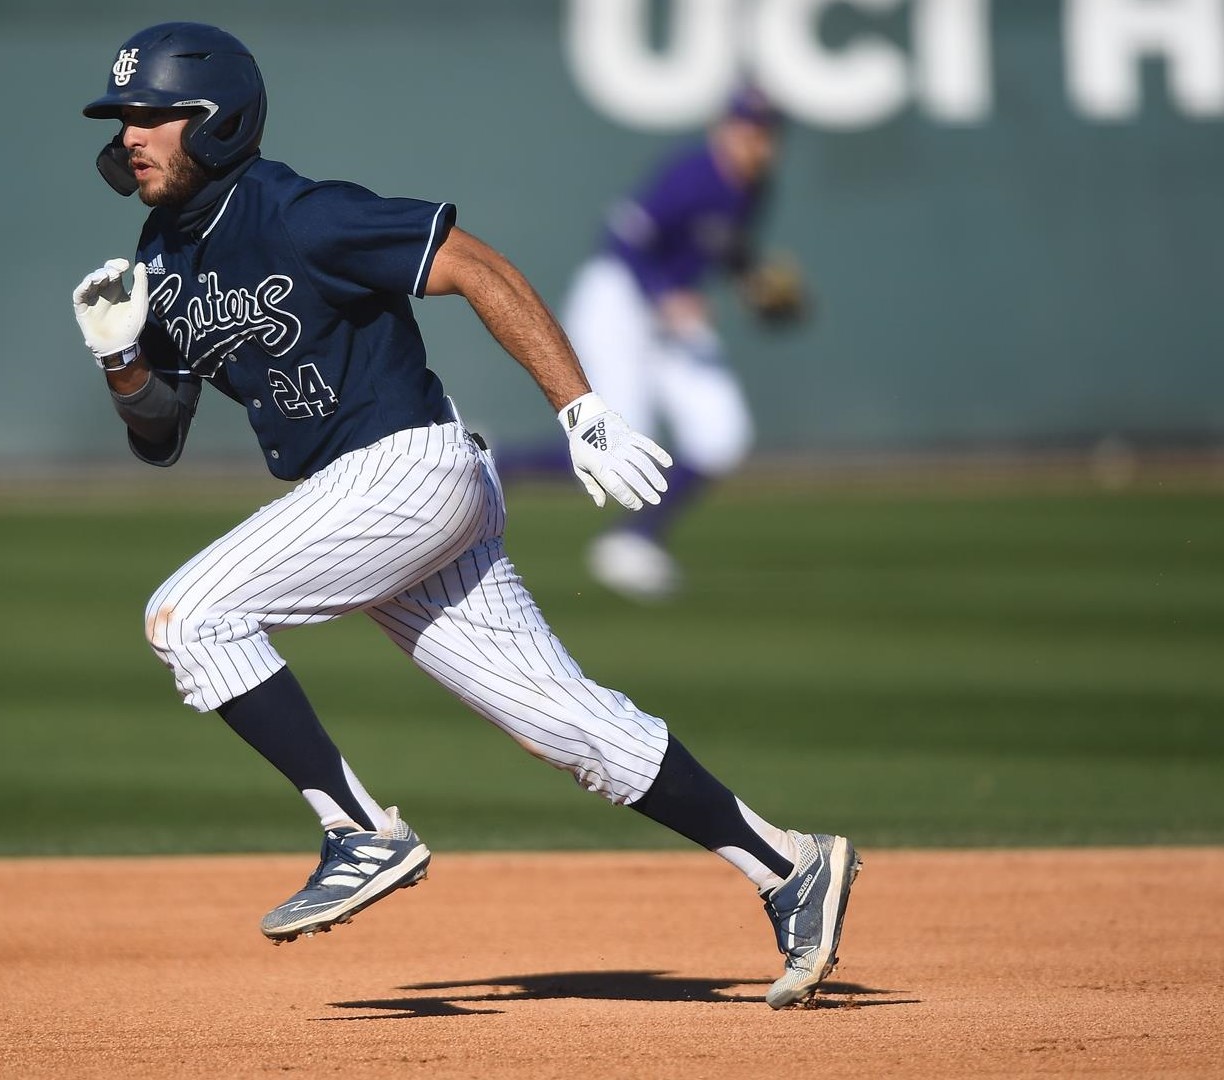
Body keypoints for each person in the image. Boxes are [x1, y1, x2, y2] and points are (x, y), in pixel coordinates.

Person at [71, 22, 856, 1009]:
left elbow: (475, 266)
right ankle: (787, 866)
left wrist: (580, 408)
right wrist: (121, 362)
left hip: (405, 470)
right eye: (122, 118)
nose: (130, 134)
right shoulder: (164, 259)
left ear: (216, 121)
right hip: (373, 500)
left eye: (153, 115)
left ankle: (360, 831)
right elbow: (160, 435)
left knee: (189, 615)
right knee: (569, 727)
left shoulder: (302, 214)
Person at [555, 86, 807, 602]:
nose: (756, 141)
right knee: (624, 436)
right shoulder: (693, 174)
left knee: (722, 434)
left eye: (766, 132)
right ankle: (483, 460)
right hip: (618, 300)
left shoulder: (754, 189)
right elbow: (622, 237)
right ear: (724, 129)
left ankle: (633, 541)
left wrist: (752, 281)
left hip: (671, 316)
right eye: (747, 129)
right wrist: (664, 293)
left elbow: (725, 250)